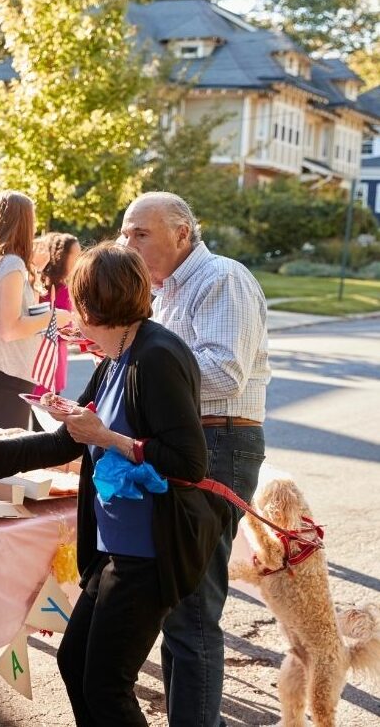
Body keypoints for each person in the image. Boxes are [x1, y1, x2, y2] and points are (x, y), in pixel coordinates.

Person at [0, 242, 227, 726]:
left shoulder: (158, 356)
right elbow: (69, 440)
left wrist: (106, 437)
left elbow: (188, 462)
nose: (68, 314)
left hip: (148, 552)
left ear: (89, 305)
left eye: (72, 303)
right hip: (113, 549)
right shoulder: (115, 357)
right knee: (75, 663)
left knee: (106, 685)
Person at [119, 191, 269, 727]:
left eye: (140, 233)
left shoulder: (220, 278)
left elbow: (225, 374)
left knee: (193, 610)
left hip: (219, 444)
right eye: (124, 232)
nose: (126, 243)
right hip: (189, 445)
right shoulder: (163, 293)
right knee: (178, 606)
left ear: (182, 234)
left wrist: (145, 376)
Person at [0, 191, 71, 428]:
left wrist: (35, 271)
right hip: (7, 377)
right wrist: (53, 317)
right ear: (22, 223)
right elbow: (10, 328)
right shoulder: (11, 264)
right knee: (2, 458)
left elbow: (20, 310)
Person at [32, 232, 81, 396]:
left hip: (56, 362)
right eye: (75, 256)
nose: (78, 261)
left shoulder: (67, 287)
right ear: (60, 257)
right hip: (41, 358)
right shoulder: (40, 287)